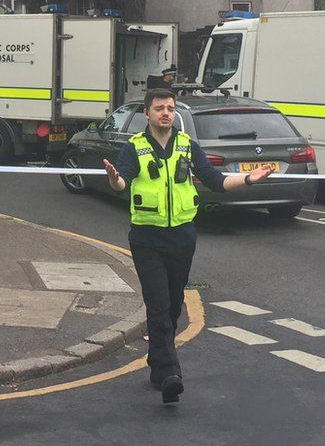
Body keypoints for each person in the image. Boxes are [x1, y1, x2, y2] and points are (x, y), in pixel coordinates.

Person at [103, 88, 273, 403]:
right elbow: (121, 183)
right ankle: (170, 374)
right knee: (158, 306)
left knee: (173, 306)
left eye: (169, 108)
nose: (165, 113)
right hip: (147, 238)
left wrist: (250, 179)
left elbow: (216, 180)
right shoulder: (134, 148)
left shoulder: (187, 146)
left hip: (182, 238)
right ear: (147, 113)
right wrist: (113, 177)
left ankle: (157, 362)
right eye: (159, 108)